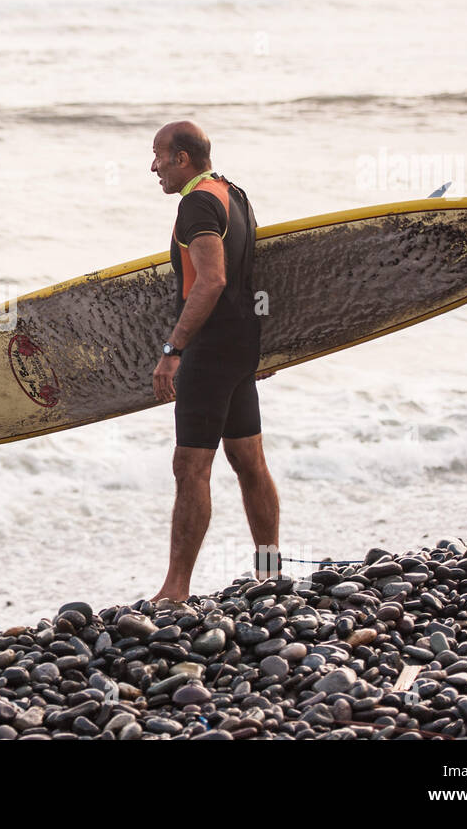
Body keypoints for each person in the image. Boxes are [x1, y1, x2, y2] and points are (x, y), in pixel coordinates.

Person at [148, 121, 281, 603]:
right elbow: (257, 275)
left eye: (159, 154)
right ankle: (269, 571)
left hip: (210, 348)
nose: (154, 165)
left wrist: (173, 349)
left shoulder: (196, 203)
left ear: (183, 158)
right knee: (248, 460)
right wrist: (264, 344)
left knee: (190, 467)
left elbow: (212, 280)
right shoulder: (233, 194)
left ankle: (175, 589)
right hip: (240, 342)